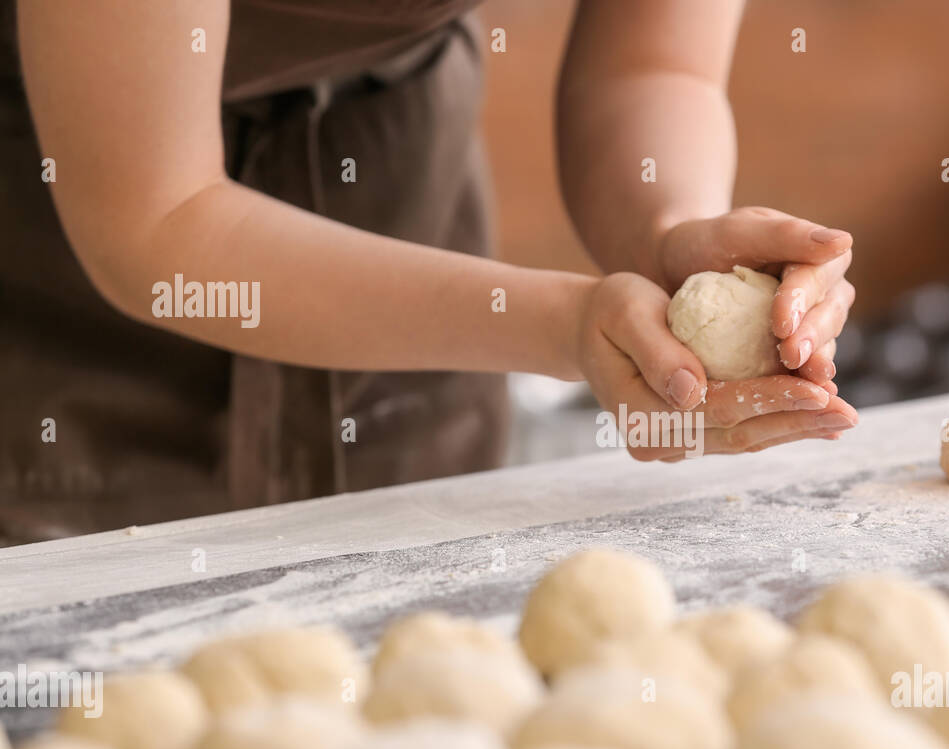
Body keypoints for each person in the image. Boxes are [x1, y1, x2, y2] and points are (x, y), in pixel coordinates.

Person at [0, 0, 856, 544]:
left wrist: (674, 230)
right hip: (60, 236)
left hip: (396, 194)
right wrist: (556, 326)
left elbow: (652, 66)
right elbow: (154, 217)